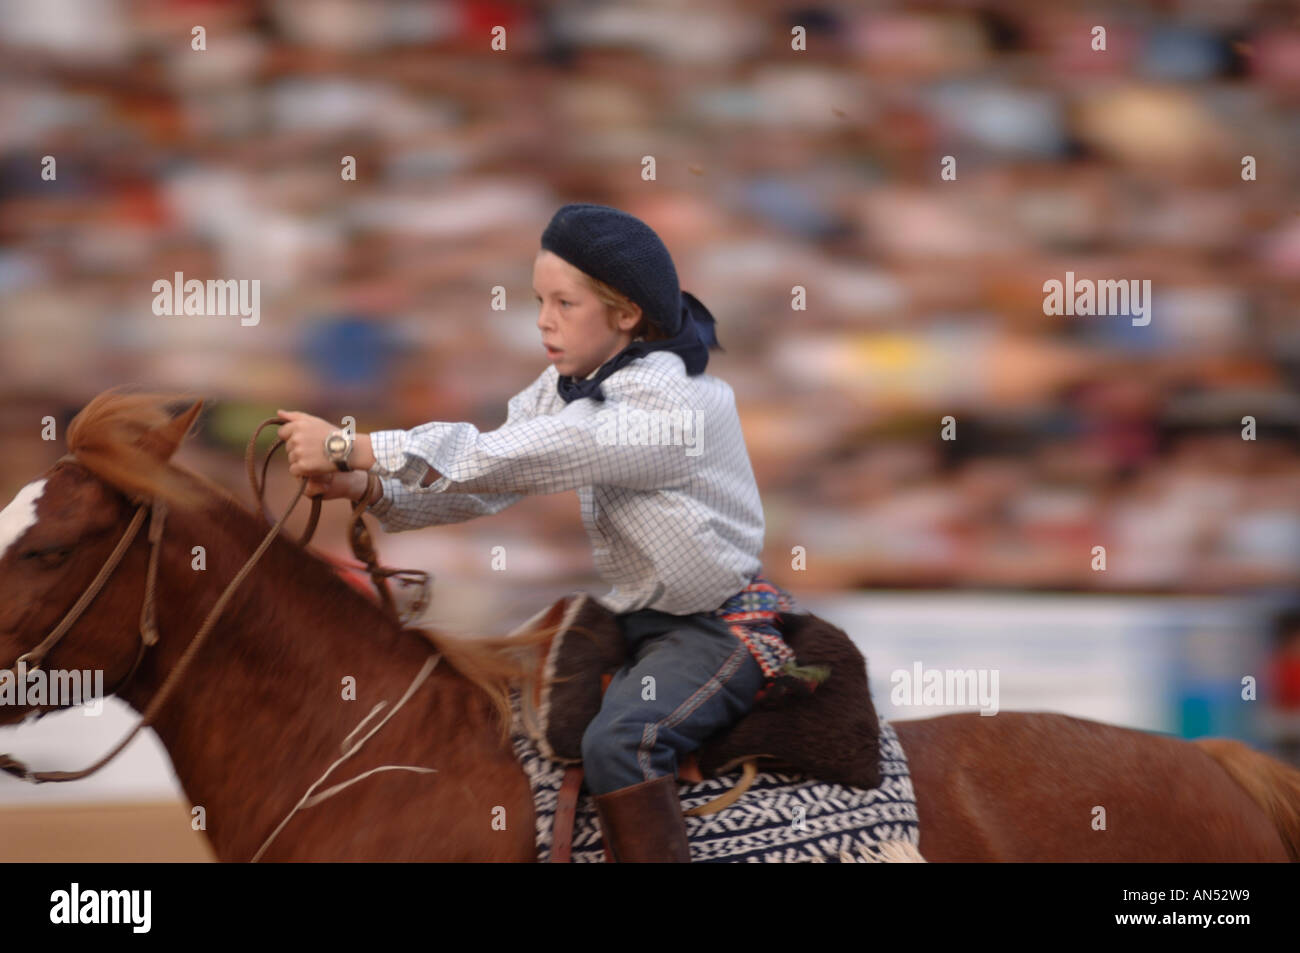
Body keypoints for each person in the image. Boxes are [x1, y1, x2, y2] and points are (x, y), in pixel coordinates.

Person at [278, 203, 806, 862]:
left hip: (715, 626)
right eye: (539, 300)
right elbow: (491, 475)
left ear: (626, 314)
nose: (543, 320)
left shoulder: (674, 406)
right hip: (638, 616)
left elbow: (507, 457)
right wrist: (372, 489)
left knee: (623, 741)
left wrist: (355, 445)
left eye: (564, 303)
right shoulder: (570, 385)